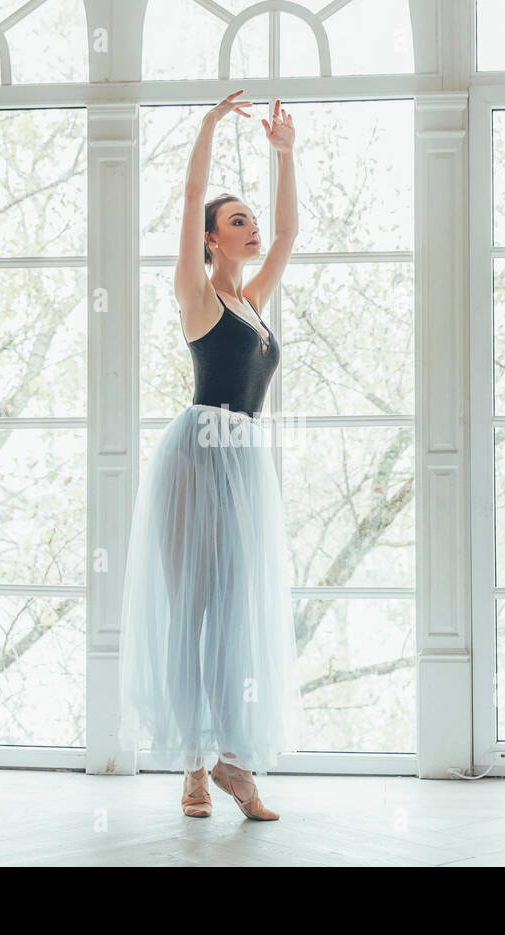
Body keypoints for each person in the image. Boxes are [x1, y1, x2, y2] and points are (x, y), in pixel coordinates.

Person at [118, 92, 304, 821]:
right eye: (237, 222)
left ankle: (232, 761)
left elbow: (289, 232)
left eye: (249, 219)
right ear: (208, 240)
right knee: (190, 606)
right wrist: (205, 129)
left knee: (237, 607)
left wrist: (284, 153)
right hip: (198, 453)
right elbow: (192, 194)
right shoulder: (196, 295)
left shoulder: (253, 297)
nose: (252, 228)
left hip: (245, 458)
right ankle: (192, 766)